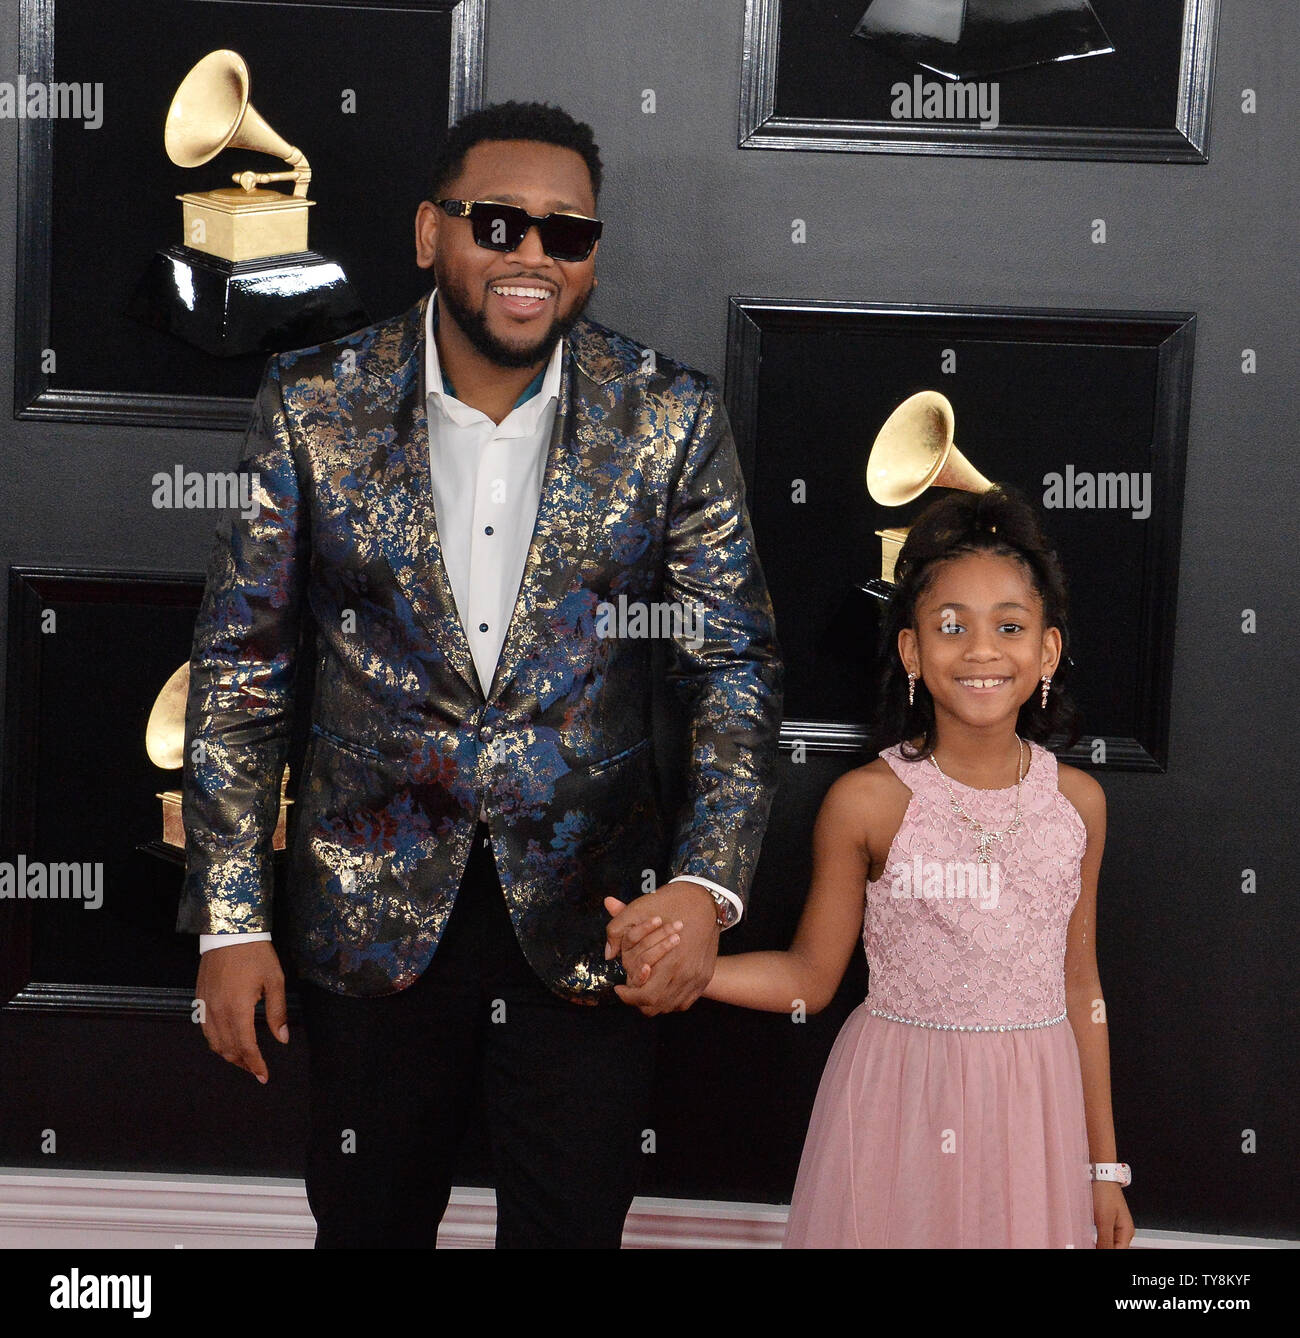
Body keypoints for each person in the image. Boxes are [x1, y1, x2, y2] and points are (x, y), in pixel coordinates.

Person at [176, 100, 784, 1249]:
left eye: (567, 234)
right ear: (427, 234)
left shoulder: (670, 417)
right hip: (369, 908)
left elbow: (732, 670)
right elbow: (241, 668)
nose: (531, 257)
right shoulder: (312, 404)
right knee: (366, 1227)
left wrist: (706, 889)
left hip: (593, 915)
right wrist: (226, 918)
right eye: (497, 224)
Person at [613, 486, 1134, 1248]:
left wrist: (1102, 1168)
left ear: (1046, 651)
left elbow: (1081, 986)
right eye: (951, 627)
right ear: (912, 651)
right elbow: (809, 978)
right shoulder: (868, 802)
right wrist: (691, 966)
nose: (983, 650)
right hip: (901, 1105)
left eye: (1010, 627)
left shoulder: (1079, 804)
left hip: (1035, 1116)